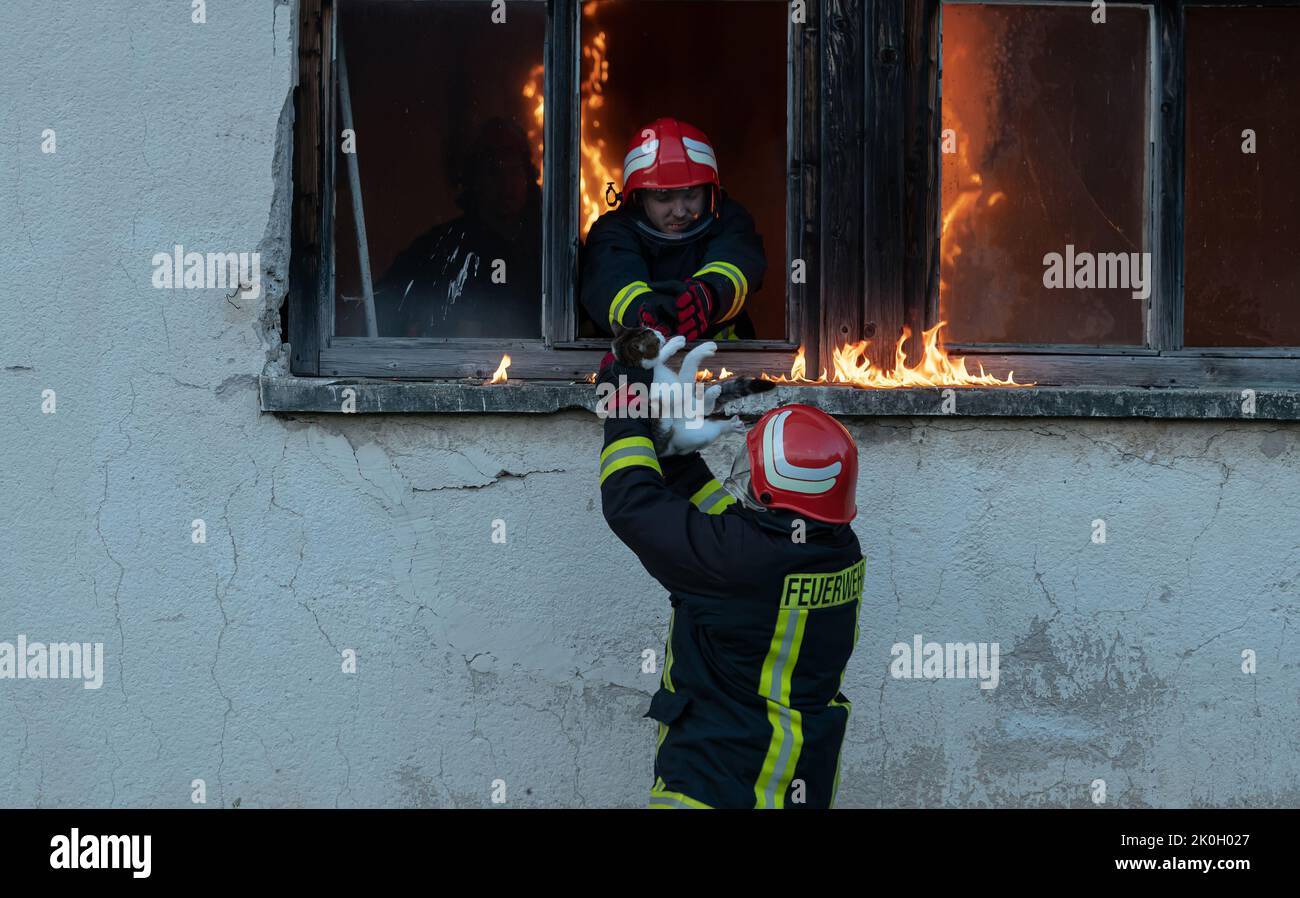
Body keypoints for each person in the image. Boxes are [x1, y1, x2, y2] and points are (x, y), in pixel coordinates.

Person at [595, 358, 864, 809]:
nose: (740, 477)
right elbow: (729, 534)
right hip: (800, 782)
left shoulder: (740, 561)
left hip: (718, 785)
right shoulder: (838, 548)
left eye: (750, 470)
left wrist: (624, 404)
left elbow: (630, 504)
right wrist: (679, 460)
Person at [581, 117, 767, 342]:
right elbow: (610, 281)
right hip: (641, 370)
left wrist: (710, 294)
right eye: (663, 197)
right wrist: (642, 314)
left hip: (724, 363)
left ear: (710, 192)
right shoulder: (611, 232)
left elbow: (737, 260)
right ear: (639, 198)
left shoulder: (729, 219)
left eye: (691, 194)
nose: (679, 211)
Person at [373, 117, 542, 338]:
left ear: (528, 177)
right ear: (475, 179)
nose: (505, 183)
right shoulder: (441, 248)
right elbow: (380, 308)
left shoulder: (548, 249)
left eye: (514, 170)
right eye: (494, 171)